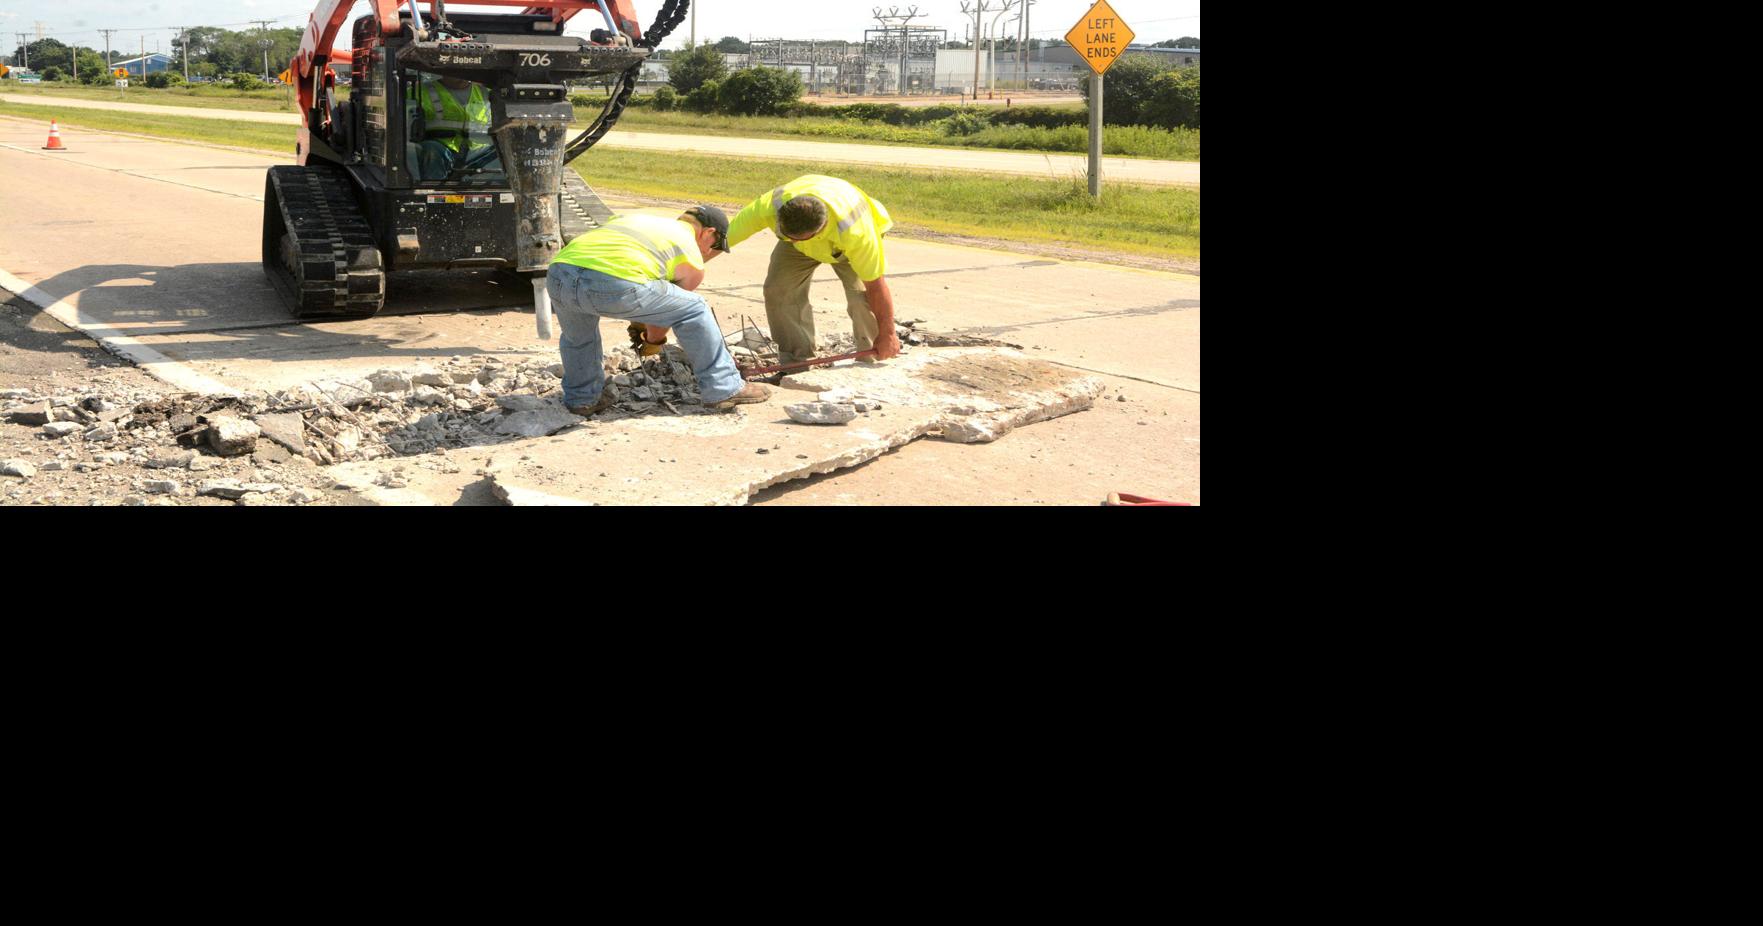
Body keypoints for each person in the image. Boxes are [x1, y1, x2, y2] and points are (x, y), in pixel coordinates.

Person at [545, 206, 770, 415]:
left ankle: (582, 399)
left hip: (559, 274)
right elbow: (669, 314)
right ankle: (724, 387)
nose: (710, 251)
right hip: (612, 283)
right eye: (714, 244)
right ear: (708, 232)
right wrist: (653, 342)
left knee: (579, 337)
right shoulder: (690, 252)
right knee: (695, 308)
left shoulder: (640, 219)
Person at [725, 175, 902, 366]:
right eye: (787, 236)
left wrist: (888, 333)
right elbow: (721, 240)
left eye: (798, 239)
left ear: (821, 228)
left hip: (844, 245)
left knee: (860, 297)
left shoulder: (856, 232)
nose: (792, 241)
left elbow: (875, 286)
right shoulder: (771, 207)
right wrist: (697, 266)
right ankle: (796, 362)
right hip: (803, 235)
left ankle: (871, 356)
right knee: (778, 289)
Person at [408, 73, 493, 180]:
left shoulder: (488, 94)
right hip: (440, 147)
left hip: (477, 152)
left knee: (499, 149)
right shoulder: (417, 92)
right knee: (431, 149)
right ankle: (433, 186)